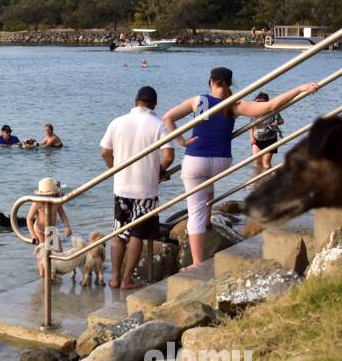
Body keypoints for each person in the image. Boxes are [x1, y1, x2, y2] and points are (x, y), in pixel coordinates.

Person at [163, 67, 318, 266]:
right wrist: (300, 88)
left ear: (211, 82)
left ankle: (197, 263)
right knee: (207, 187)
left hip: (196, 160)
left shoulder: (199, 101)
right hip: (221, 162)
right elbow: (270, 107)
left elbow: (168, 117)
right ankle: (208, 220)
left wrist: (182, 141)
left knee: (195, 213)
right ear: (230, 83)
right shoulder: (234, 105)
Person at [100, 85, 174, 290]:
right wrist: (158, 170)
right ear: (155, 104)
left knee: (118, 232)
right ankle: (126, 280)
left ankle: (114, 278)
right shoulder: (158, 124)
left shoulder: (117, 122)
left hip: (121, 188)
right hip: (146, 190)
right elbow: (169, 156)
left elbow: (105, 151)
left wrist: (115, 169)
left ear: (135, 102)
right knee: (137, 235)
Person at [26, 177, 72, 279]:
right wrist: (32, 234)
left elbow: (62, 214)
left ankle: (55, 275)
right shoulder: (37, 202)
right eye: (48, 195)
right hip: (39, 231)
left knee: (59, 254)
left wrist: (67, 226)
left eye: (53, 194)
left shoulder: (56, 201)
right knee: (42, 256)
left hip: (51, 230)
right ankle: (43, 276)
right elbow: (29, 219)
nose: (51, 197)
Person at [249, 93, 284, 173]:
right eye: (258, 103)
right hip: (257, 139)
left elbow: (281, 121)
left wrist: (276, 123)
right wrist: (251, 138)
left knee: (266, 163)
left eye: (262, 103)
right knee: (257, 163)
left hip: (270, 139)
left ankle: (268, 179)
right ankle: (257, 181)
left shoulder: (273, 111)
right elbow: (251, 126)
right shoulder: (254, 113)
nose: (260, 105)